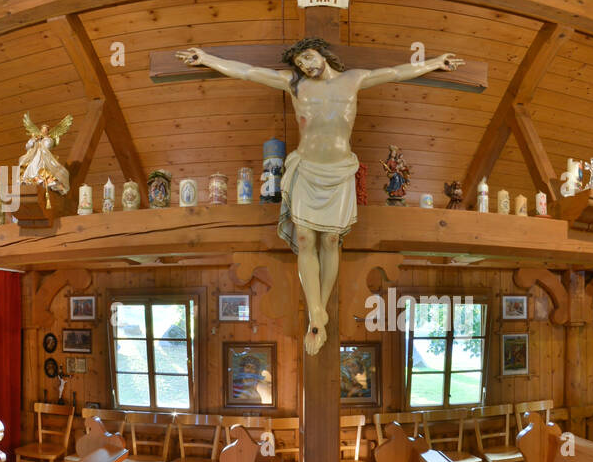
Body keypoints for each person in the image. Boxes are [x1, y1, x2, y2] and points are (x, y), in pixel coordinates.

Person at [170, 38, 464, 351]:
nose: (306, 66)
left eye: (308, 58)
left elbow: (394, 72)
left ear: (320, 53)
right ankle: (316, 311)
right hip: (307, 168)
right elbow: (248, 72)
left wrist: (435, 62)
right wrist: (207, 58)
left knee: (332, 240)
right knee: (307, 240)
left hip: (339, 172)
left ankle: (317, 313)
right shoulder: (294, 84)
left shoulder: (355, 79)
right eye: (300, 63)